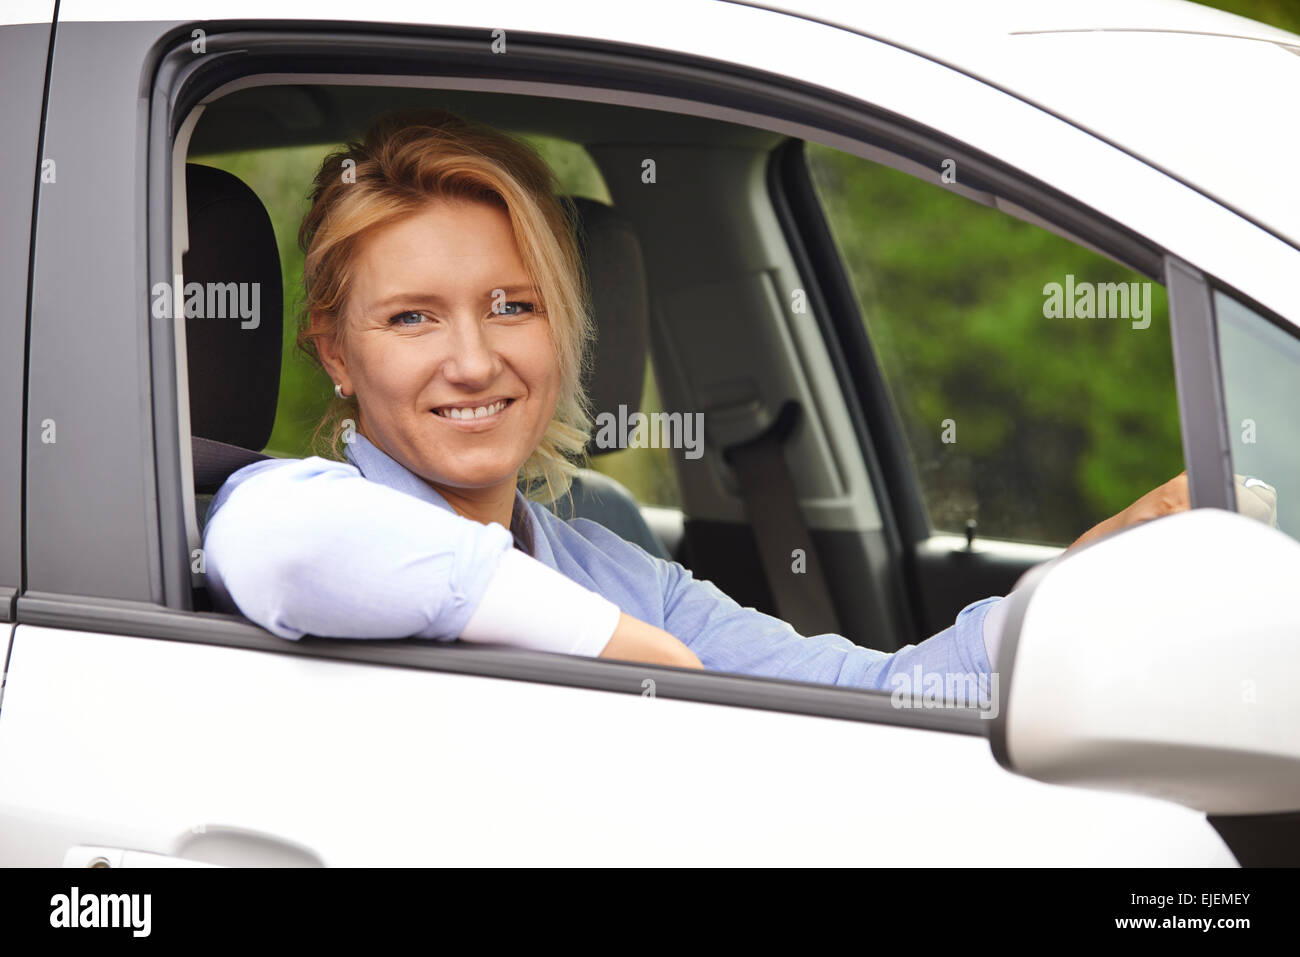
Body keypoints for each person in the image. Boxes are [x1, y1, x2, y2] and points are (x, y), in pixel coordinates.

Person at [202, 108, 1189, 697]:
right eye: (413, 318)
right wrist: (629, 655)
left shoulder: (624, 570)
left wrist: (1067, 596)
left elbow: (883, 692)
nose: (472, 360)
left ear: (562, 328)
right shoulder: (293, 512)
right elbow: (281, 543)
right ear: (334, 349)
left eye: (514, 305)